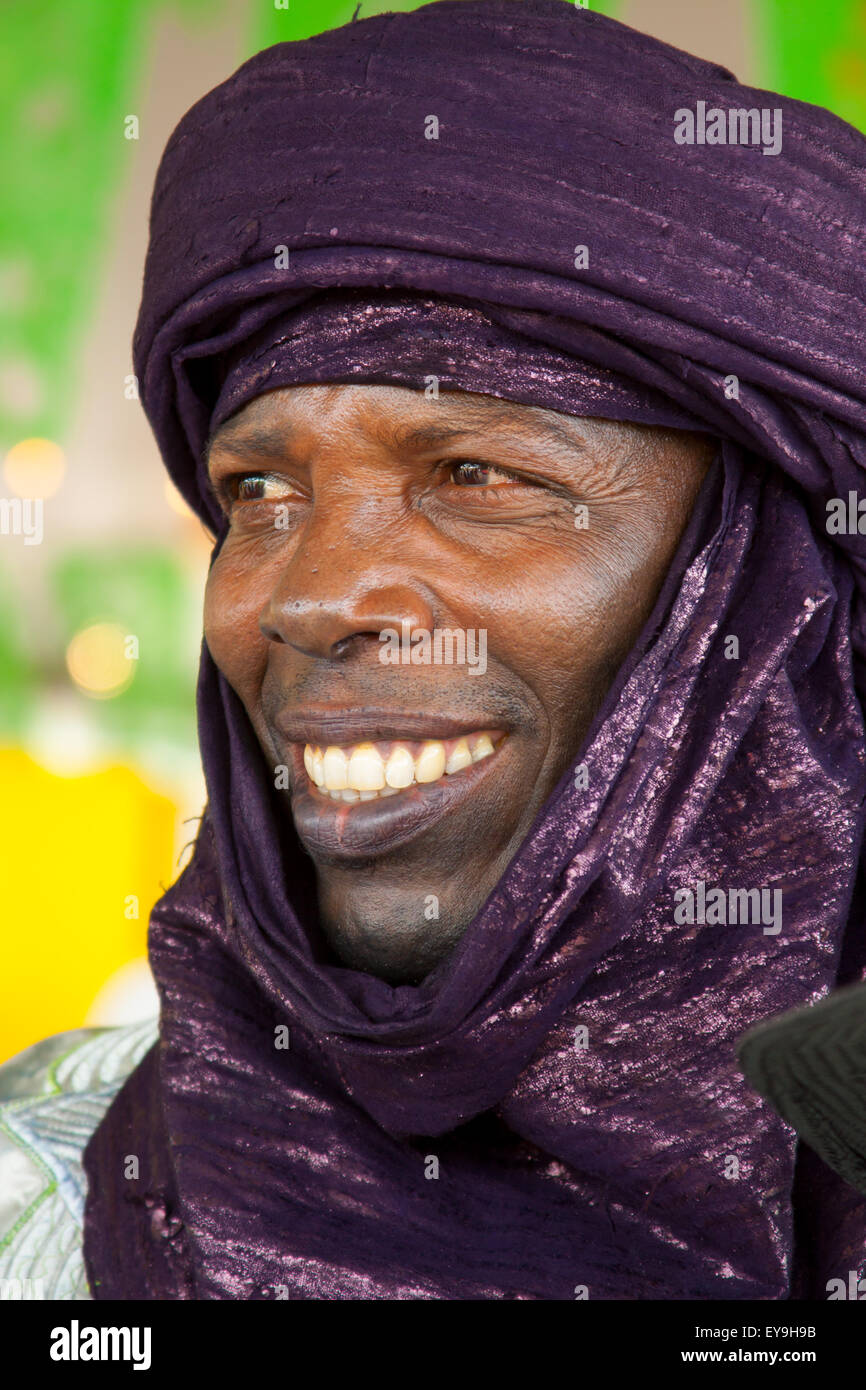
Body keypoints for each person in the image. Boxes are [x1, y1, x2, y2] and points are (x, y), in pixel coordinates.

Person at [2, 0, 866, 1300]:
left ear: (775, 583)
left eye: (474, 474)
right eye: (258, 495)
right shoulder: (42, 1204)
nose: (307, 597)